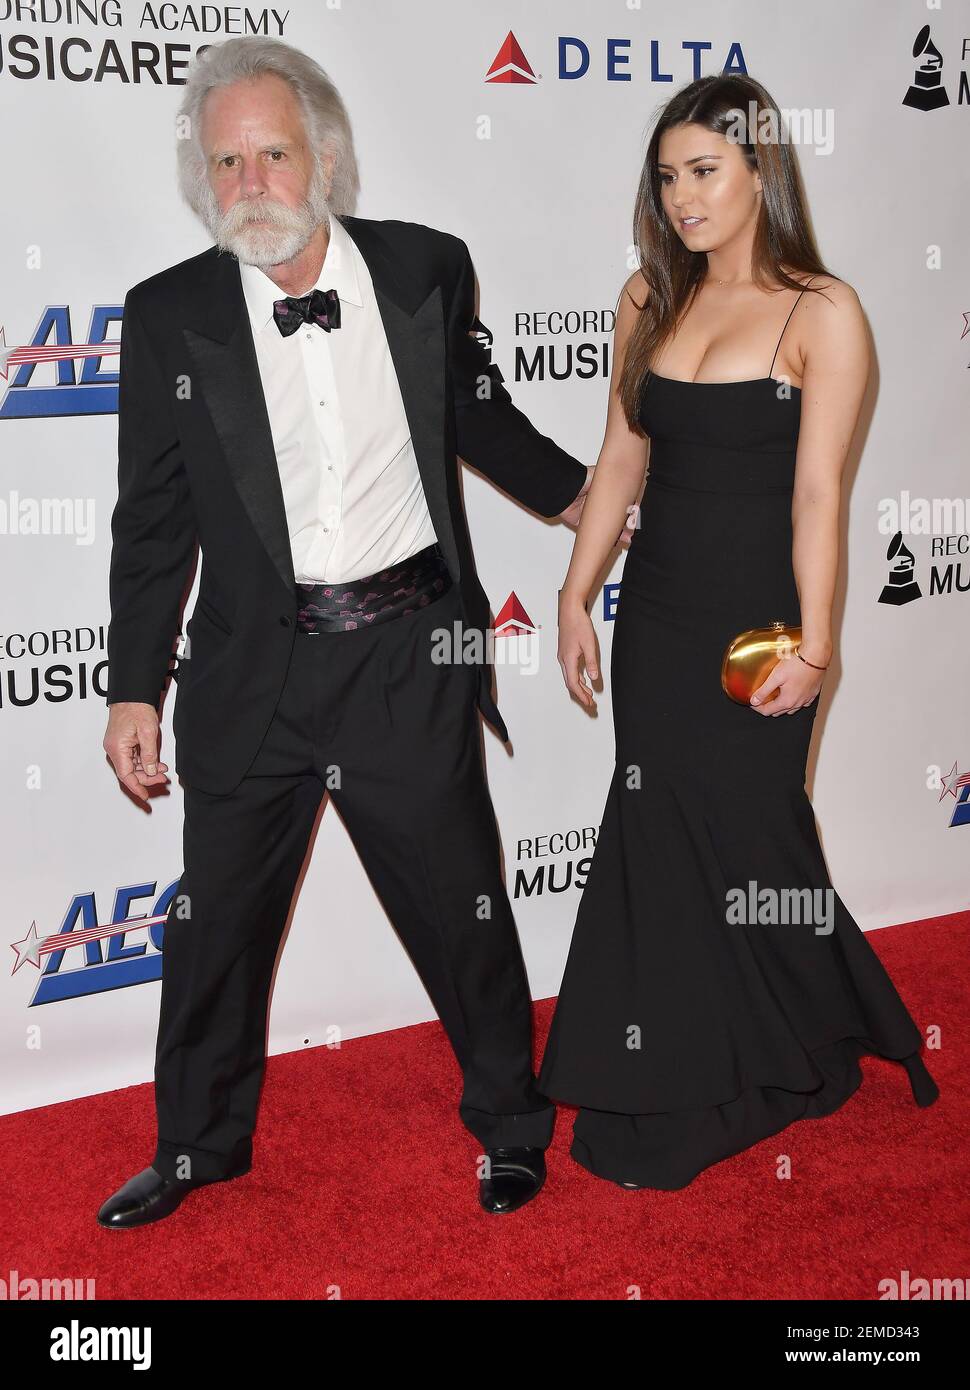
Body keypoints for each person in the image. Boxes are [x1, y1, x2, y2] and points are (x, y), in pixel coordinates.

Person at [98, 36, 592, 1228]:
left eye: (273, 152)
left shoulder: (426, 270)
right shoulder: (169, 316)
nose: (251, 181)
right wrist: (130, 691)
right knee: (214, 925)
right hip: (248, 675)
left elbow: (484, 419)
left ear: (324, 155)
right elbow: (153, 523)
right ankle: (197, 1146)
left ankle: (510, 1125)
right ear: (202, 179)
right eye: (226, 161)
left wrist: (599, 504)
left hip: (405, 654)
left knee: (462, 900)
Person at [537, 74, 939, 1192]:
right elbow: (621, 460)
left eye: (703, 171)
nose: (682, 196)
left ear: (762, 172)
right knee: (658, 836)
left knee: (757, 837)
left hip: (759, 628)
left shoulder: (824, 311)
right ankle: (681, 1064)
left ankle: (800, 1039)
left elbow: (820, 495)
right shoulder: (645, 300)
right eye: (666, 177)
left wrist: (817, 646)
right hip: (656, 621)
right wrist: (575, 593)